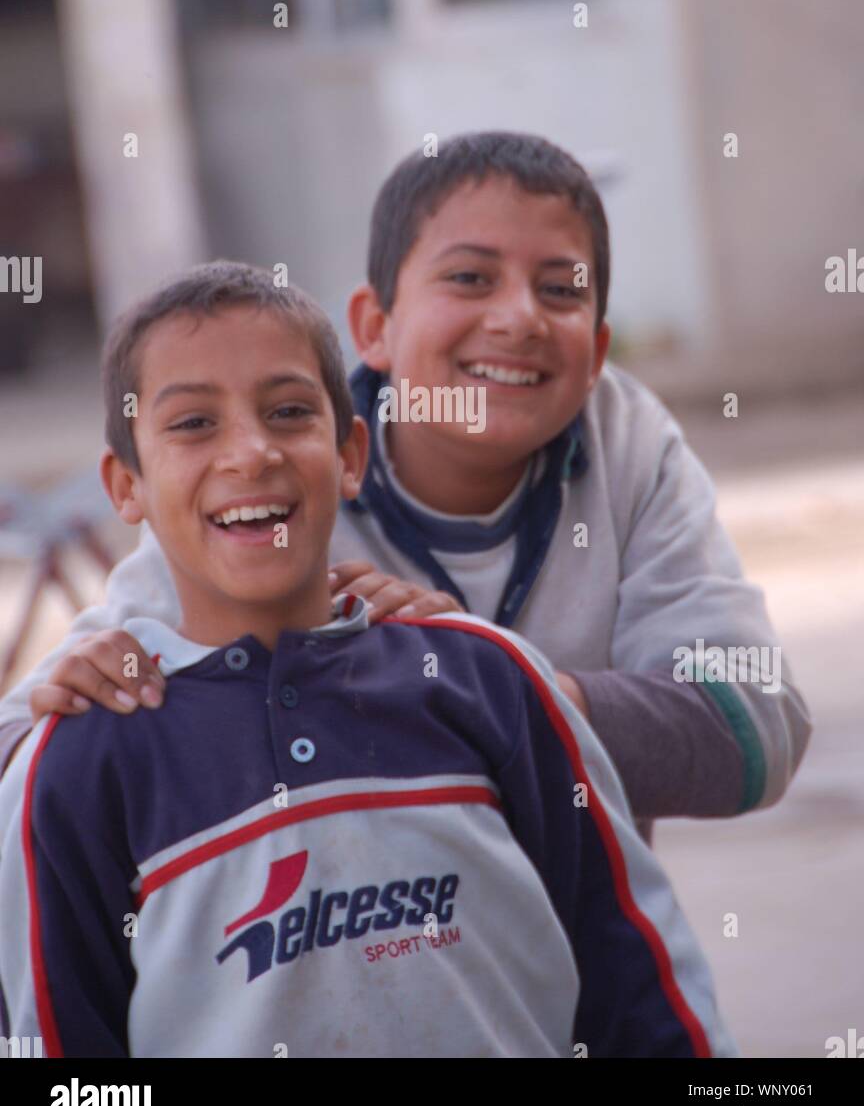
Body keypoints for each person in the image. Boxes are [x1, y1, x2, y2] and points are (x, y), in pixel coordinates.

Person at [0, 264, 735, 1057]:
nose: (250, 453)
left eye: (287, 412)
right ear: (126, 486)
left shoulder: (491, 683)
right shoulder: (81, 763)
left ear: (350, 454)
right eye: (192, 425)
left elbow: (640, 992)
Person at [0, 133, 811, 832]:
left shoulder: (626, 440)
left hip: (577, 987)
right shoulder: (275, 485)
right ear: (374, 328)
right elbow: (23, 751)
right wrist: (68, 718)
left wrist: (488, 683)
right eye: (470, 278)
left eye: (560, 290)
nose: (520, 318)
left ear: (597, 352)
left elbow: (758, 726)